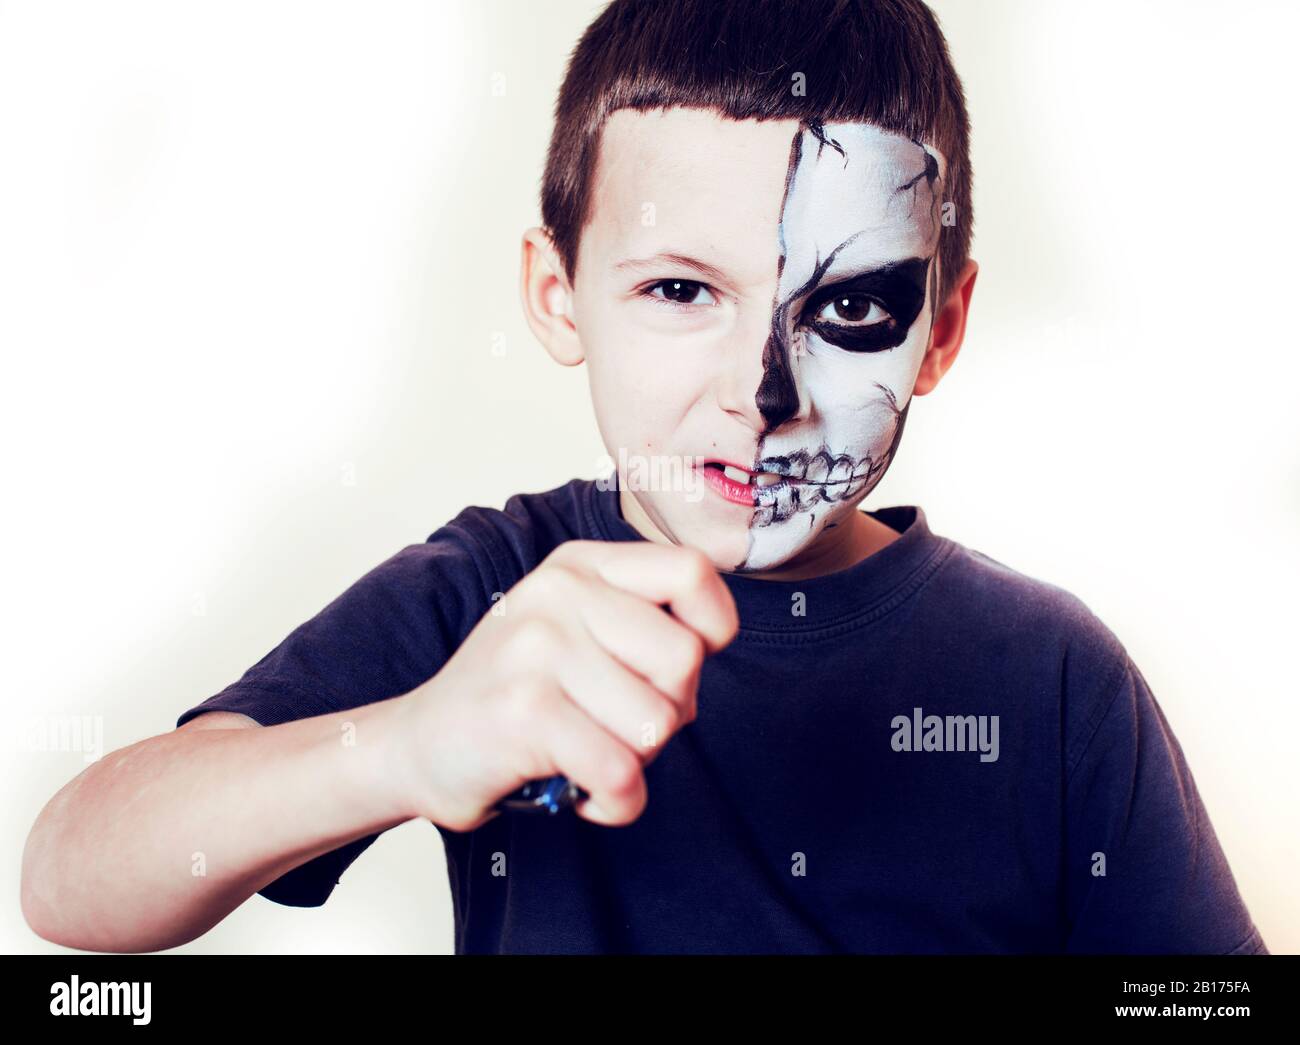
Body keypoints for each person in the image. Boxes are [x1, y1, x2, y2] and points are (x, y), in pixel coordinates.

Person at [21, 0, 1267, 955]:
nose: (758, 390)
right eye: (681, 290)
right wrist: (408, 741)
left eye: (849, 306)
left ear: (939, 329)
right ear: (556, 295)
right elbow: (71, 877)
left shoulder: (1050, 674)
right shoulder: (498, 599)